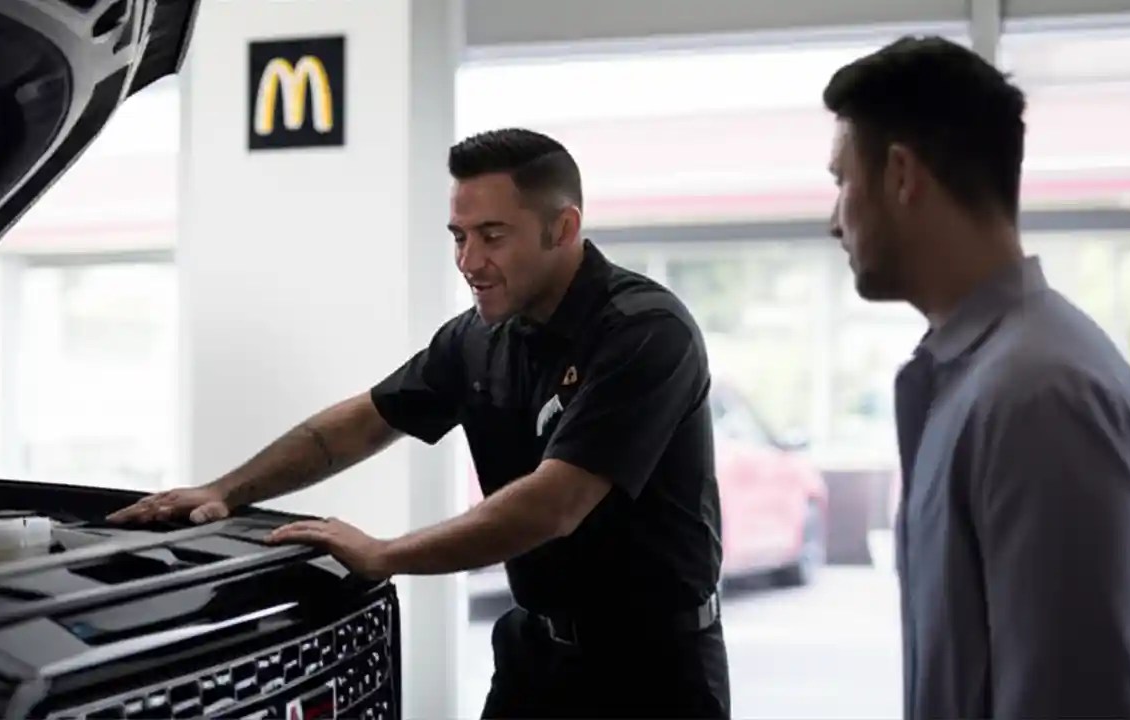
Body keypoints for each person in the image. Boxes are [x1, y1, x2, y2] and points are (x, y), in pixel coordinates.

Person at [108, 128, 731, 718]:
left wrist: (385, 555)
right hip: (535, 654)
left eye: (492, 236)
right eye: (458, 236)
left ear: (562, 228)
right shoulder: (478, 338)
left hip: (654, 670)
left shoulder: (645, 331)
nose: (469, 260)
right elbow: (362, 422)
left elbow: (553, 506)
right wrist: (225, 490)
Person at [824, 35, 1130, 719]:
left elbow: (1070, 703)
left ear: (901, 175)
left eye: (841, 182)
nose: (834, 220)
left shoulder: (1038, 396)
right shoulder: (983, 375)